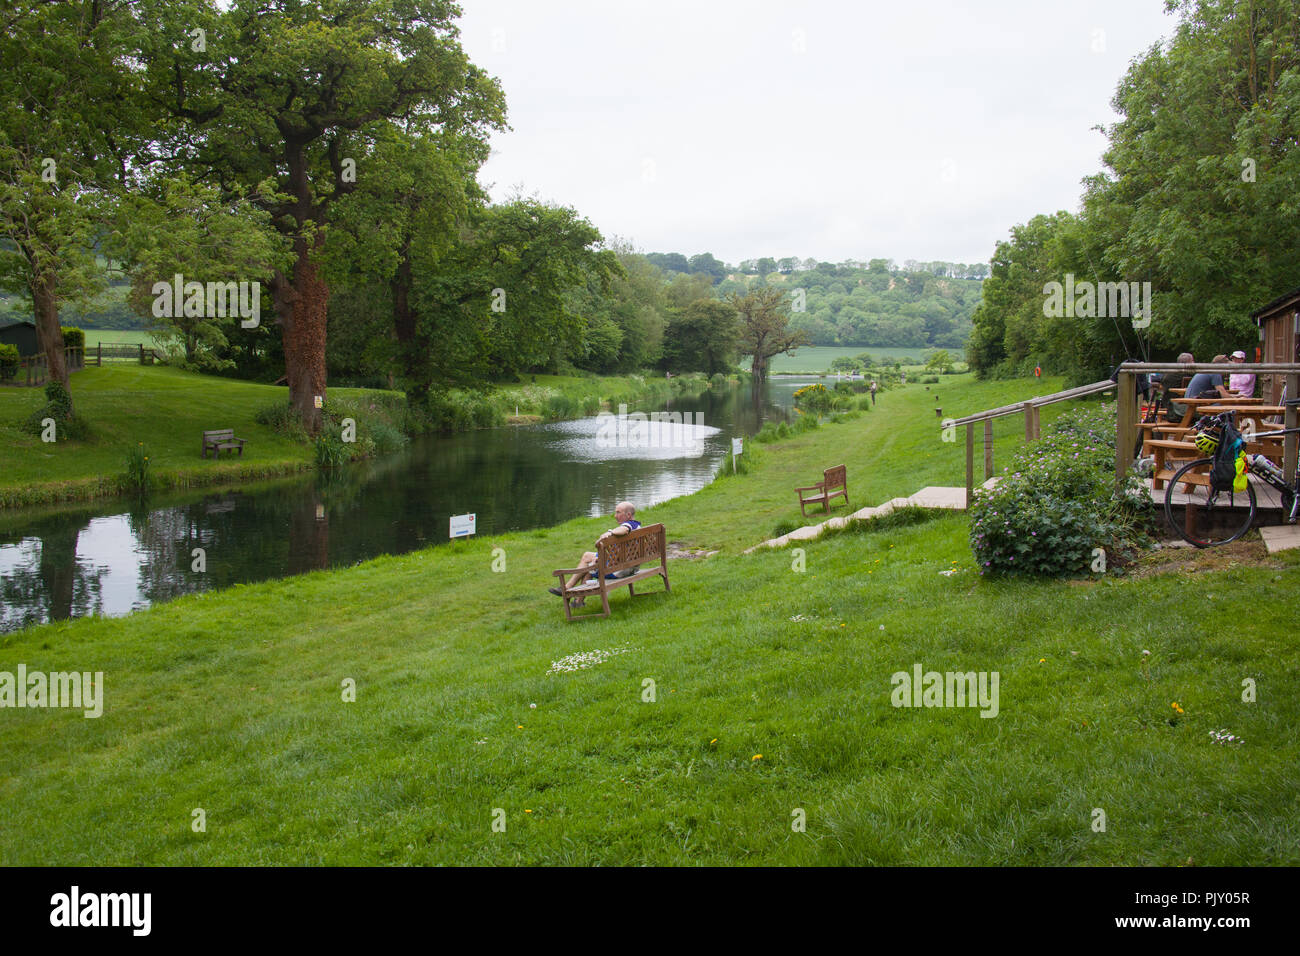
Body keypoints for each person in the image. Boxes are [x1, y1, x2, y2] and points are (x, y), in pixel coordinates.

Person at [549, 501, 641, 606]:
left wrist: (611, 532)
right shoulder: (637, 526)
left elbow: (624, 530)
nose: (615, 516)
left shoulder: (628, 526)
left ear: (628, 515)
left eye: (618, 512)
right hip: (630, 566)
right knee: (590, 564)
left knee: (587, 558)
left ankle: (567, 588)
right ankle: (578, 601)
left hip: (620, 570)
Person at [1159, 352, 1196, 420]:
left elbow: (1162, 386)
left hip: (1166, 404)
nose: (1194, 363)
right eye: (1192, 361)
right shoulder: (1189, 374)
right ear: (1189, 363)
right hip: (1178, 409)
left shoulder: (1169, 373)